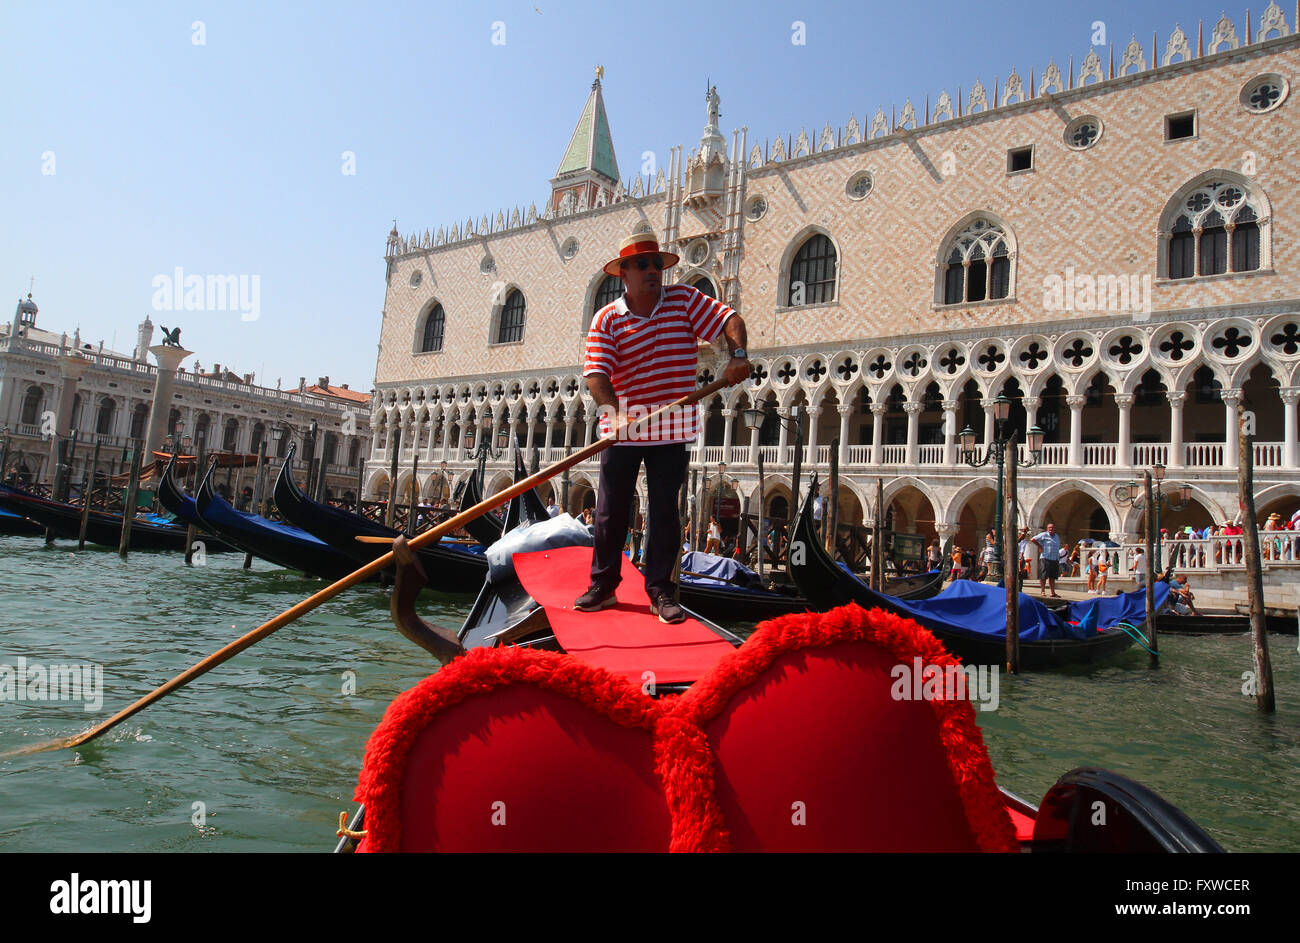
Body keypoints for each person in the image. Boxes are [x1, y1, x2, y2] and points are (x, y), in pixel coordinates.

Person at [574, 231, 750, 624]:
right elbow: (596, 374)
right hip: (623, 429)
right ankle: (603, 586)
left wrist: (737, 354)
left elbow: (729, 319)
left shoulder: (684, 301)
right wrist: (614, 412)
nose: (652, 270)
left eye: (657, 264)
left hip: (672, 428)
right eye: (642, 264)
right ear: (625, 274)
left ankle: (659, 592)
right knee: (609, 511)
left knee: (665, 513)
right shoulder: (606, 318)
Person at [1031, 522, 1062, 597]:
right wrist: (1040, 546)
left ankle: (1052, 592)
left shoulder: (1056, 536)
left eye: (1052, 528)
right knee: (1043, 576)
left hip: (1054, 558)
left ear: (1054, 529)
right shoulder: (1044, 535)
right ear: (1047, 529)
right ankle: (1043, 591)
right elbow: (1033, 539)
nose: (1051, 529)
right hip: (1045, 557)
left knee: (1053, 577)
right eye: (1049, 528)